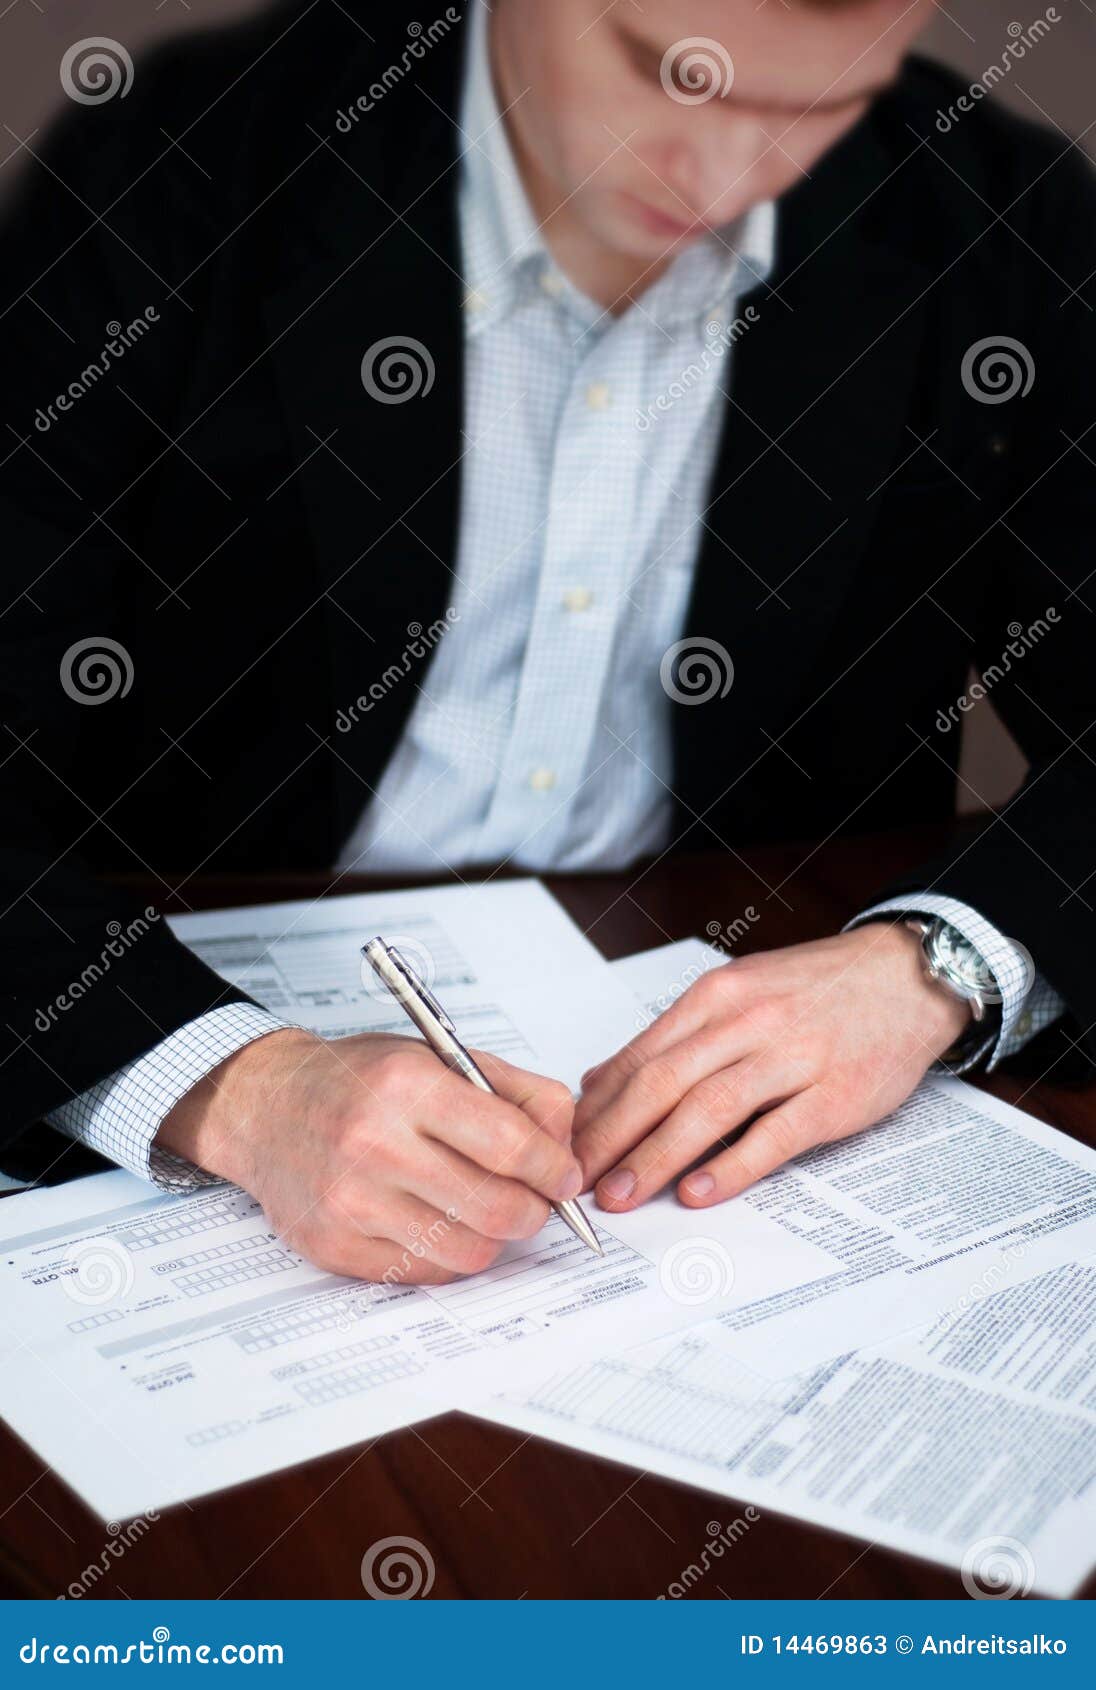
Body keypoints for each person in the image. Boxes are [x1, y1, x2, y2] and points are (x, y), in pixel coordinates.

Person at [2, 0, 1093, 1283]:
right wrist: (233, 1090)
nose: (725, 176)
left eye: (812, 105)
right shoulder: (180, 172)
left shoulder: (999, 229)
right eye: (657, 72)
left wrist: (935, 965)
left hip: (714, 1102)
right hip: (178, 1052)